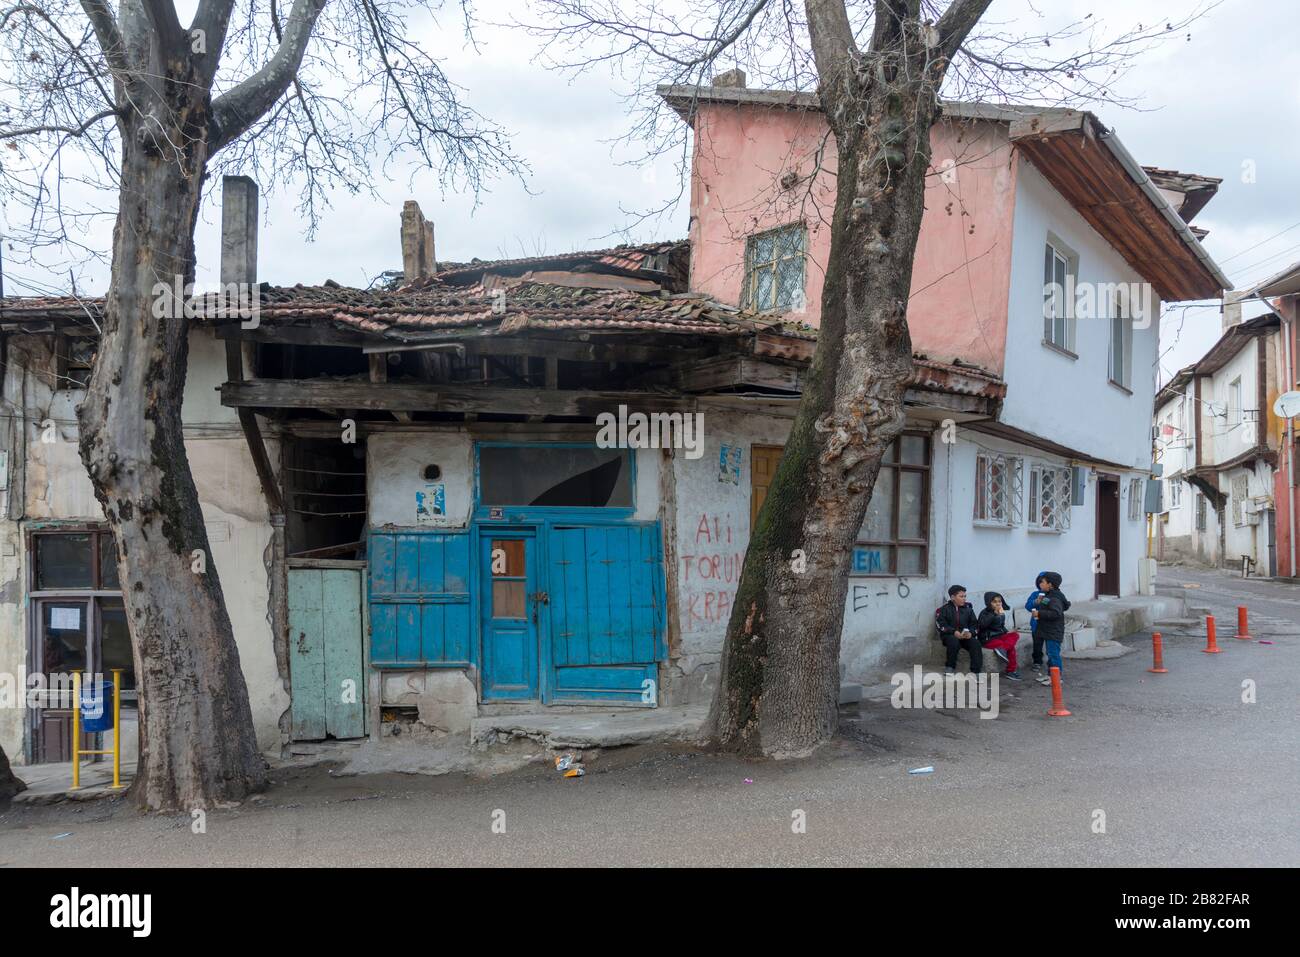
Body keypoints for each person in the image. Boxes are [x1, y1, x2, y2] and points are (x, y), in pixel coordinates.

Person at [1031, 571, 1071, 682]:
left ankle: (1057, 678)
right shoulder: (1050, 596)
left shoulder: (1055, 598)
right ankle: (1051, 675)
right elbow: (1048, 604)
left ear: (1050, 584)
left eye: (1042, 582)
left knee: (1053, 655)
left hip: (1053, 631)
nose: (1040, 584)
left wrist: (1039, 614)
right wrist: (1040, 601)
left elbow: (1056, 613)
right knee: (1050, 654)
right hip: (1048, 630)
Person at [935, 585, 981, 675]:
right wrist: (953, 632)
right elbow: (940, 625)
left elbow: (975, 625)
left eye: (965, 596)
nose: (964, 599)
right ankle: (950, 667)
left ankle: (976, 672)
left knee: (976, 644)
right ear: (952, 597)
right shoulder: (944, 609)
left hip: (965, 637)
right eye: (961, 596)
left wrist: (971, 633)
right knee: (953, 641)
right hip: (949, 636)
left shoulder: (969, 610)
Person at [978, 592, 1022, 681]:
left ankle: (1004, 652)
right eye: (994, 602)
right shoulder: (985, 613)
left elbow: (1001, 626)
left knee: (1015, 635)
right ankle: (1010, 670)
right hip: (988, 639)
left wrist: (1007, 632)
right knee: (1010, 647)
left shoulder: (1001, 613)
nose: (998, 604)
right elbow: (982, 625)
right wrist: (994, 614)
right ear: (989, 602)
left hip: (999, 636)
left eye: (999, 601)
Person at [1024, 571, 1051, 685]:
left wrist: (1044, 601)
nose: (1041, 584)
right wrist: (1036, 601)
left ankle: (1052, 664)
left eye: (1043, 582)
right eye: (1039, 582)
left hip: (1049, 625)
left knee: (1050, 646)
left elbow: (1053, 606)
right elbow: (1028, 606)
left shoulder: (1052, 595)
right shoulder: (1035, 594)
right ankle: (1037, 661)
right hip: (1036, 624)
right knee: (1037, 644)